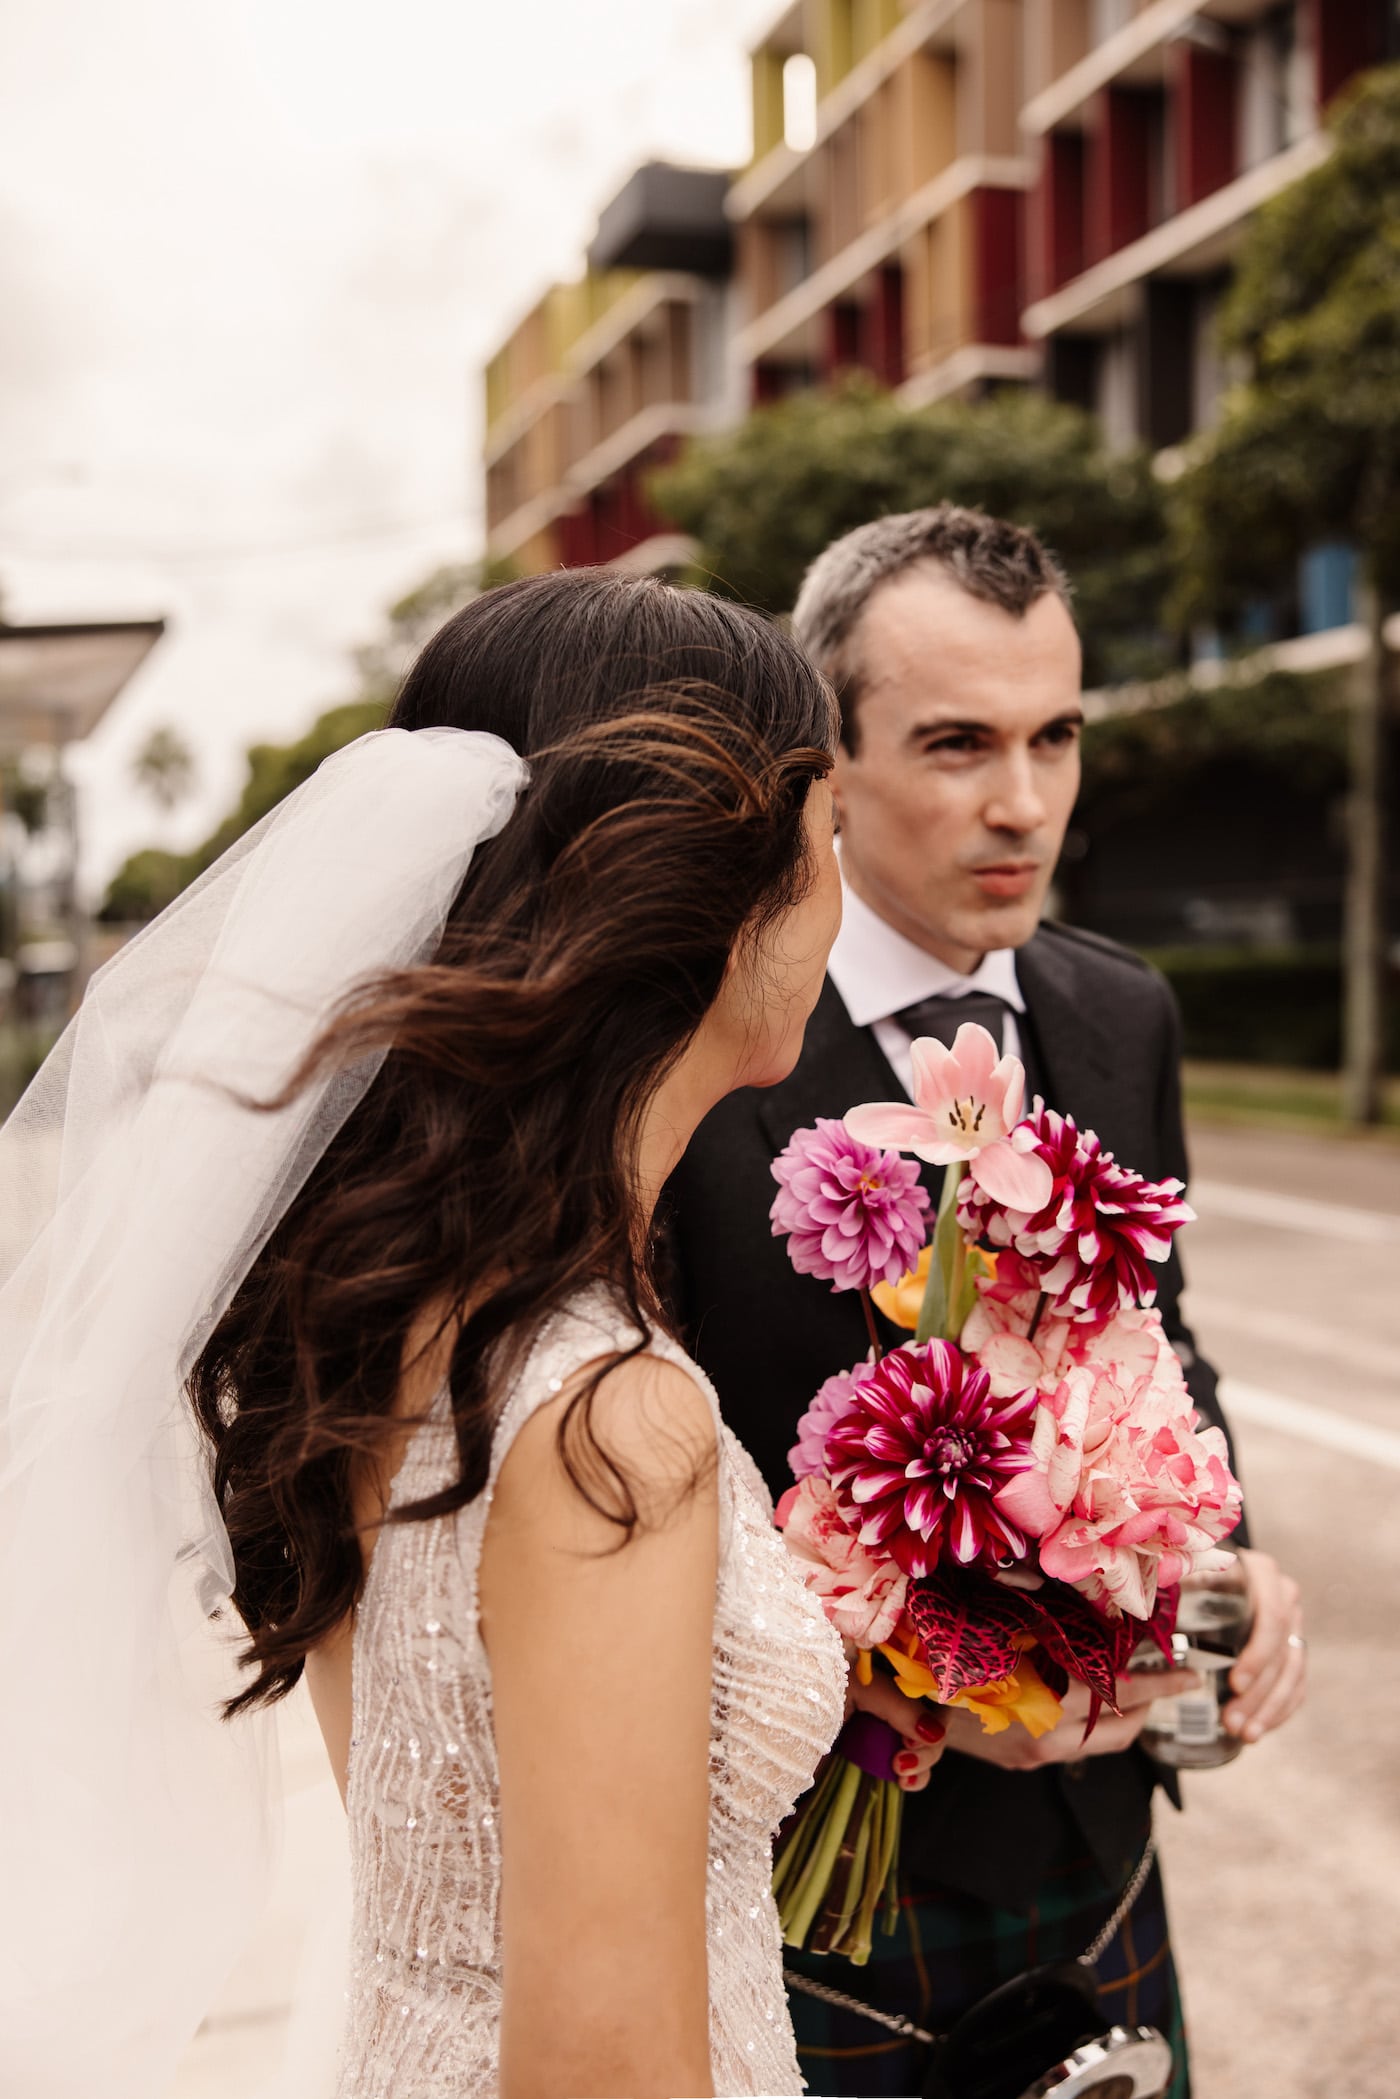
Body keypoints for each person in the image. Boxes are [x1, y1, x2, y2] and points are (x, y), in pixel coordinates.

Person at [0, 571, 946, 2099]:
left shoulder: (393, 1320)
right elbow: (603, 2067)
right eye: (827, 837)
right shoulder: (603, 1415)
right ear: (719, 880)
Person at [666, 507, 1308, 2098]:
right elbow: (647, 1472)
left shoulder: (1117, 1008)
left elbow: (1164, 1336)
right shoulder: (702, 1038)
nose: (1023, 803)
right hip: (823, 1862)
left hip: (1094, 1840)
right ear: (826, 757)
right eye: (957, 744)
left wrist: (1218, 1543)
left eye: (1056, 736)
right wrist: (915, 1688)